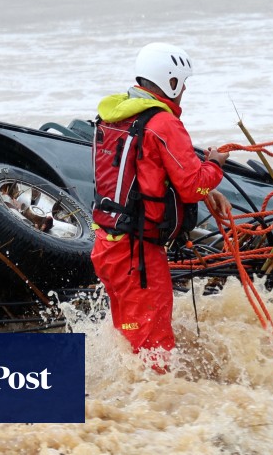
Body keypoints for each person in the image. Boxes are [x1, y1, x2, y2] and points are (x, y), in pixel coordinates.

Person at [90, 42, 232, 368]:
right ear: (170, 82)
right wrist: (215, 165)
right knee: (156, 350)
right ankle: (156, 409)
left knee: (129, 335)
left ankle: (124, 405)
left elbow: (143, 174)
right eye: (181, 83)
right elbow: (193, 183)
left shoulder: (115, 115)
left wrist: (205, 189)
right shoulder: (163, 123)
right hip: (138, 255)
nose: (184, 90)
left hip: (108, 246)